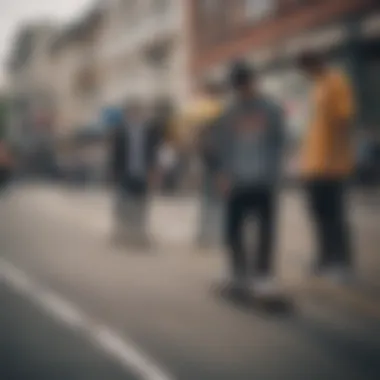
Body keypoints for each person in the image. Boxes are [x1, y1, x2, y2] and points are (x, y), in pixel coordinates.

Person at [215, 61, 285, 296]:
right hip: (236, 181)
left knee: (265, 230)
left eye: (245, 85)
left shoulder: (271, 110)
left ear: (253, 82)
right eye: (238, 87)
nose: (242, 91)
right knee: (233, 230)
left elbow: (279, 143)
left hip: (263, 180)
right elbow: (224, 145)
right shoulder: (230, 112)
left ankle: (263, 276)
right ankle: (238, 272)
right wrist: (224, 174)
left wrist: (275, 174)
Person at [297, 51, 355, 283]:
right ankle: (323, 259)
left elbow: (344, 119)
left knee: (335, 216)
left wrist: (334, 156)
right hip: (313, 165)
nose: (306, 74)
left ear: (315, 63)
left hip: (331, 166)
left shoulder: (336, 82)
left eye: (306, 69)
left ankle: (341, 262)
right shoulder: (317, 86)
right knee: (318, 215)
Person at [110, 100, 160, 248]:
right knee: (124, 205)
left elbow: (153, 153)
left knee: (141, 205)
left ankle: (138, 236)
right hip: (126, 173)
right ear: (128, 114)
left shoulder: (149, 132)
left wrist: (154, 171)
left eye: (138, 112)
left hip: (143, 173)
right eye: (133, 112)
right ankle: (123, 235)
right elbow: (115, 155)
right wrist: (115, 173)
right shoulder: (120, 132)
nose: (136, 116)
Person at [196, 81, 225, 248]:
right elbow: (201, 146)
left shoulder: (220, 116)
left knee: (215, 203)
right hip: (210, 166)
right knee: (209, 202)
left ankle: (211, 235)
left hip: (218, 167)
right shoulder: (205, 117)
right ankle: (206, 235)